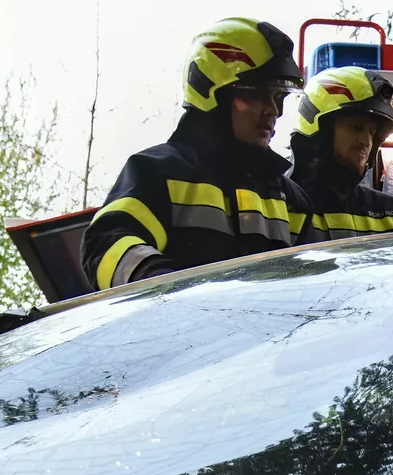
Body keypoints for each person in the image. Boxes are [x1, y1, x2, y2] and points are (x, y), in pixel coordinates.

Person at [80, 18, 314, 290]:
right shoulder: (158, 172)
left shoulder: (293, 200)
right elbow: (105, 243)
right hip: (180, 330)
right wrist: (156, 281)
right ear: (210, 91)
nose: (274, 111)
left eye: (278, 98)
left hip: (274, 333)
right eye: (257, 95)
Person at [289, 66, 393, 240]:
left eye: (372, 132)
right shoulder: (278, 206)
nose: (366, 141)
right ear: (320, 133)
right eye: (356, 128)